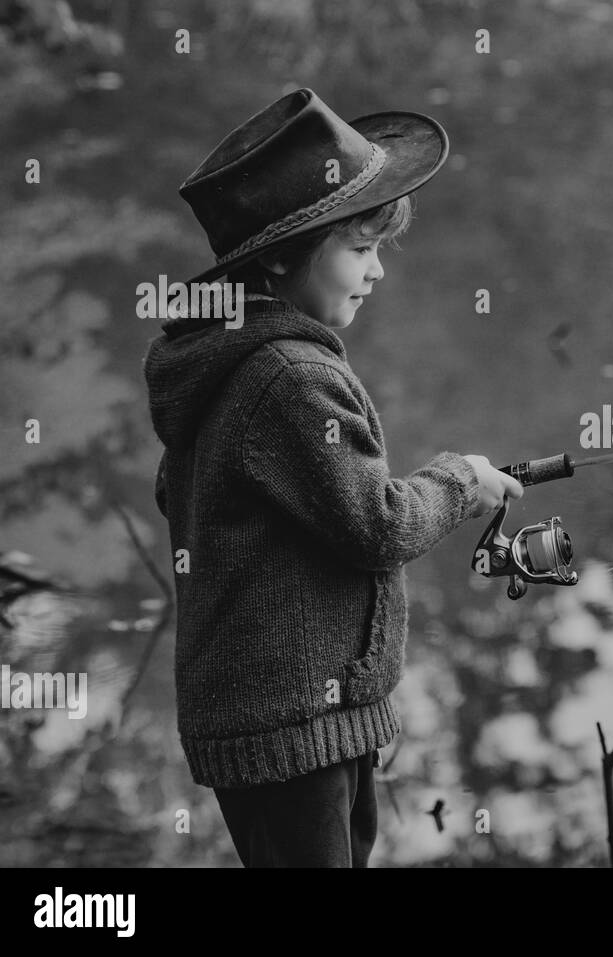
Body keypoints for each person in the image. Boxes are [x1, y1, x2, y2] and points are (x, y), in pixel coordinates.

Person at [141, 88, 523, 867]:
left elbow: (175, 493)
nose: (377, 270)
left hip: (292, 721)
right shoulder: (289, 375)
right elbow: (377, 524)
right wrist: (461, 480)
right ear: (280, 255)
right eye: (359, 248)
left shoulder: (222, 354)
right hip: (292, 732)